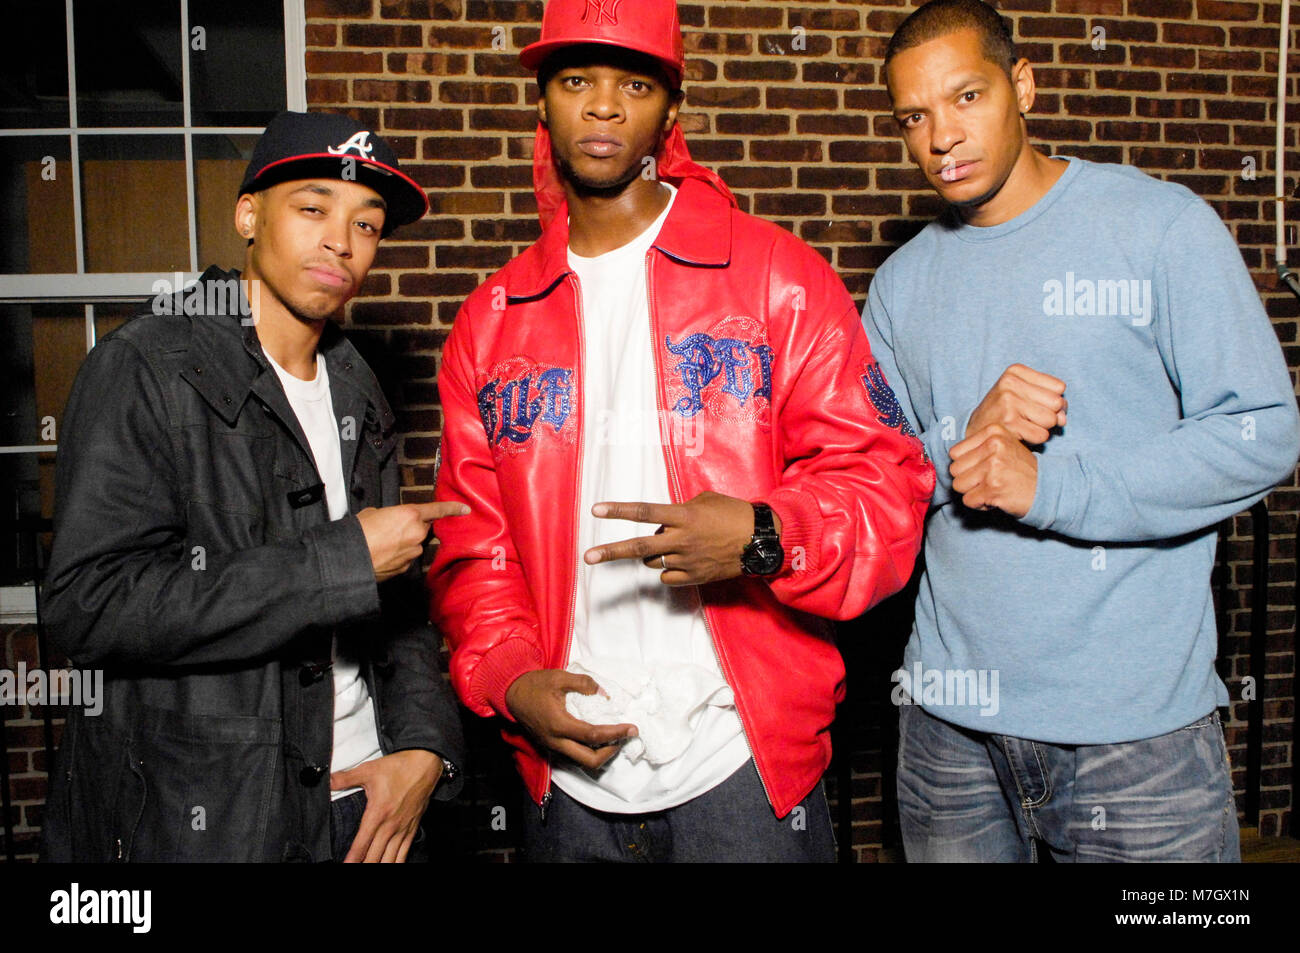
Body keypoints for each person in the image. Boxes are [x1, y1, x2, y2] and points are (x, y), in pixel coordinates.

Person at [428, 0, 934, 863]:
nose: (602, 105)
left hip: (745, 767)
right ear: (542, 103)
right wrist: (510, 679)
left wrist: (765, 534)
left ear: (670, 110)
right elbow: (476, 548)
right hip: (568, 773)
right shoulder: (491, 321)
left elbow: (887, 485)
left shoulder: (777, 277)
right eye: (575, 79)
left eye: (634, 82)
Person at [861, 0, 1300, 862]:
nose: (941, 136)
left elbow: (1262, 431)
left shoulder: (1159, 226)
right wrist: (964, 455)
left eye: (967, 97)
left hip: (1138, 742)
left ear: (1023, 85)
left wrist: (1053, 487)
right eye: (915, 116)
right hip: (951, 736)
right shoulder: (901, 285)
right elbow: (883, 484)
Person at [40, 110, 467, 863]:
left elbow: (398, 602)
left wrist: (426, 752)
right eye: (313, 209)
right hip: (218, 817)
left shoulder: (355, 383)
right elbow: (88, 605)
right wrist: (336, 563)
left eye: (367, 226)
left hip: (367, 808)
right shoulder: (144, 367)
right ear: (247, 215)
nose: (341, 239)